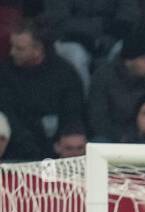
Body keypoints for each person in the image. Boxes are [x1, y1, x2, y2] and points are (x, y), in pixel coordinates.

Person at [0, 19, 86, 159]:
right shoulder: (3, 72)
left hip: (56, 148)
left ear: (38, 49)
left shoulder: (65, 73)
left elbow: (72, 113)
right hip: (15, 144)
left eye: (19, 48)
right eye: (12, 46)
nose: (12, 52)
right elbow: (7, 113)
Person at [87, 28, 145, 144]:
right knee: (100, 141)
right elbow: (98, 119)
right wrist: (124, 138)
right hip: (118, 140)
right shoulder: (104, 77)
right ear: (128, 61)